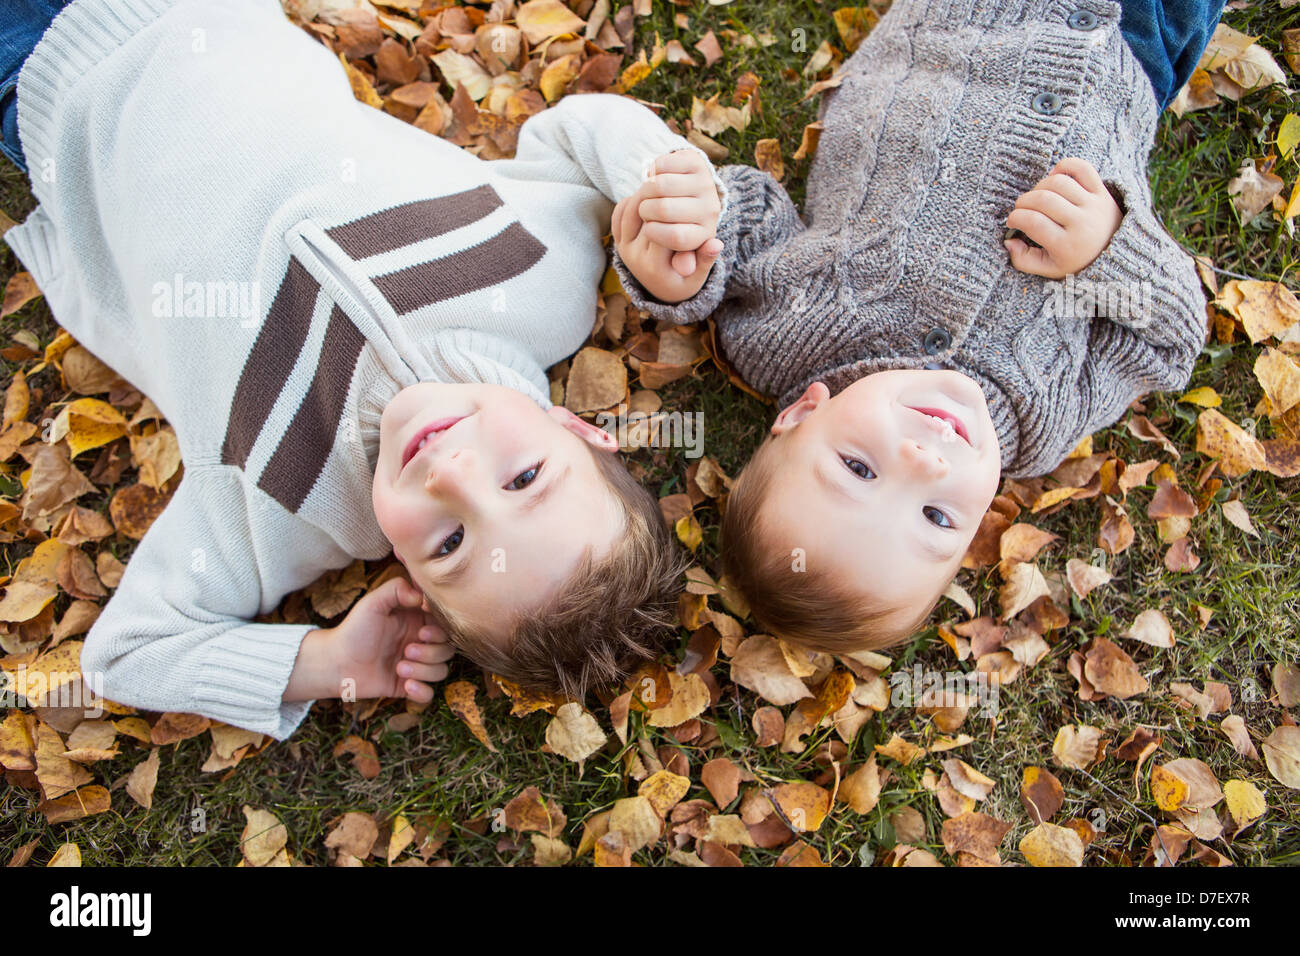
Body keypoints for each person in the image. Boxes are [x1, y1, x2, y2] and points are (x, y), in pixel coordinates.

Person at [1, 0, 725, 739]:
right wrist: (661, 196)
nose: (450, 473)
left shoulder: (275, 509)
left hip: (54, 83)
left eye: (449, 544)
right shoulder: (547, 284)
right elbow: (574, 138)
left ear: (410, 584)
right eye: (524, 479)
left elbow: (126, 654)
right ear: (577, 429)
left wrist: (326, 661)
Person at [611, 0, 1223, 655]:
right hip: (1126, 48)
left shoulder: (783, 339)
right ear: (977, 526)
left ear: (801, 414)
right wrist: (1109, 248)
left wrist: (681, 269)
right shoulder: (1043, 421)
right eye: (936, 515)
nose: (923, 460)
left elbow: (748, 214)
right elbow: (1168, 341)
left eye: (858, 468)